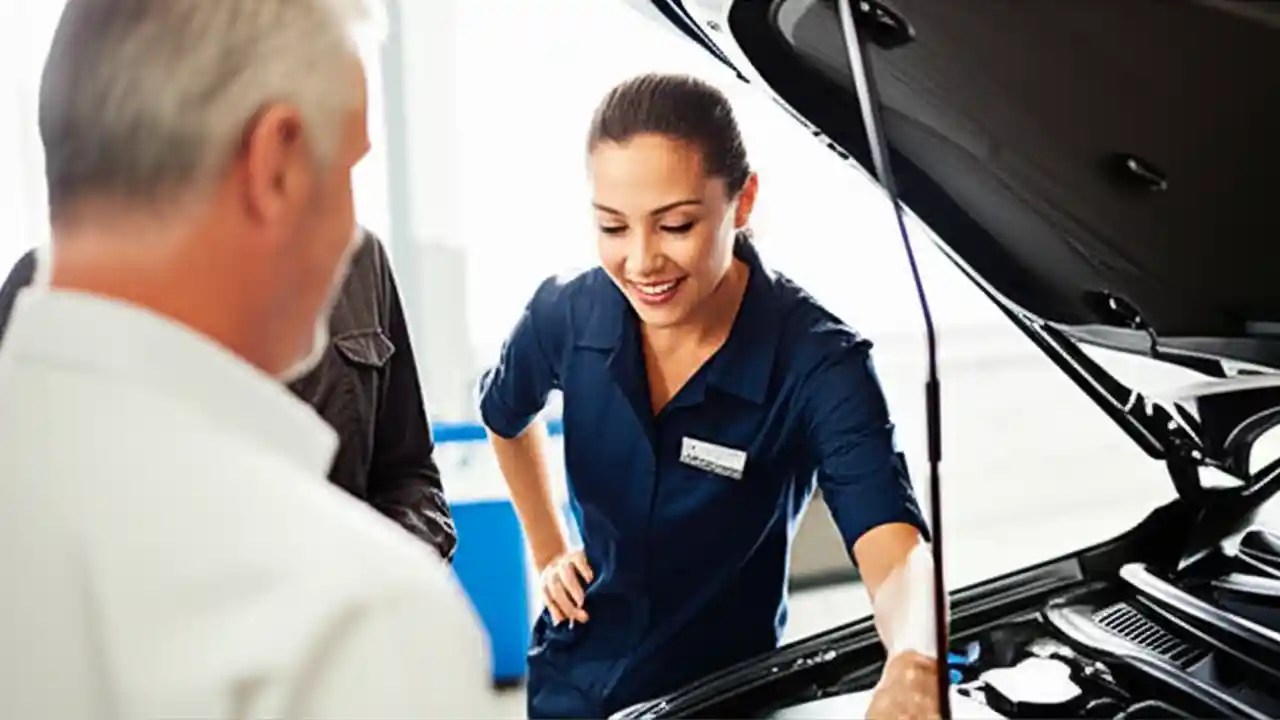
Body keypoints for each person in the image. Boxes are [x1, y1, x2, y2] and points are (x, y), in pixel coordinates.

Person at [0, 1, 496, 718]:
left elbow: (407, 468)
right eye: (349, 167)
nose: (350, 237)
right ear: (279, 162)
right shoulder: (356, 618)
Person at [479, 73, 942, 719]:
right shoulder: (566, 311)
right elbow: (503, 414)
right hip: (572, 683)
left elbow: (894, 547)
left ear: (742, 201)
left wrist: (914, 661)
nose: (641, 262)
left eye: (675, 224)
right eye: (613, 226)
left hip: (724, 699)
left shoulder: (820, 362)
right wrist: (550, 548)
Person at [0, 231, 460, 561]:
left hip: (337, 656)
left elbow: (408, 474)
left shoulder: (359, 262)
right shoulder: (50, 288)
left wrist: (382, 577)